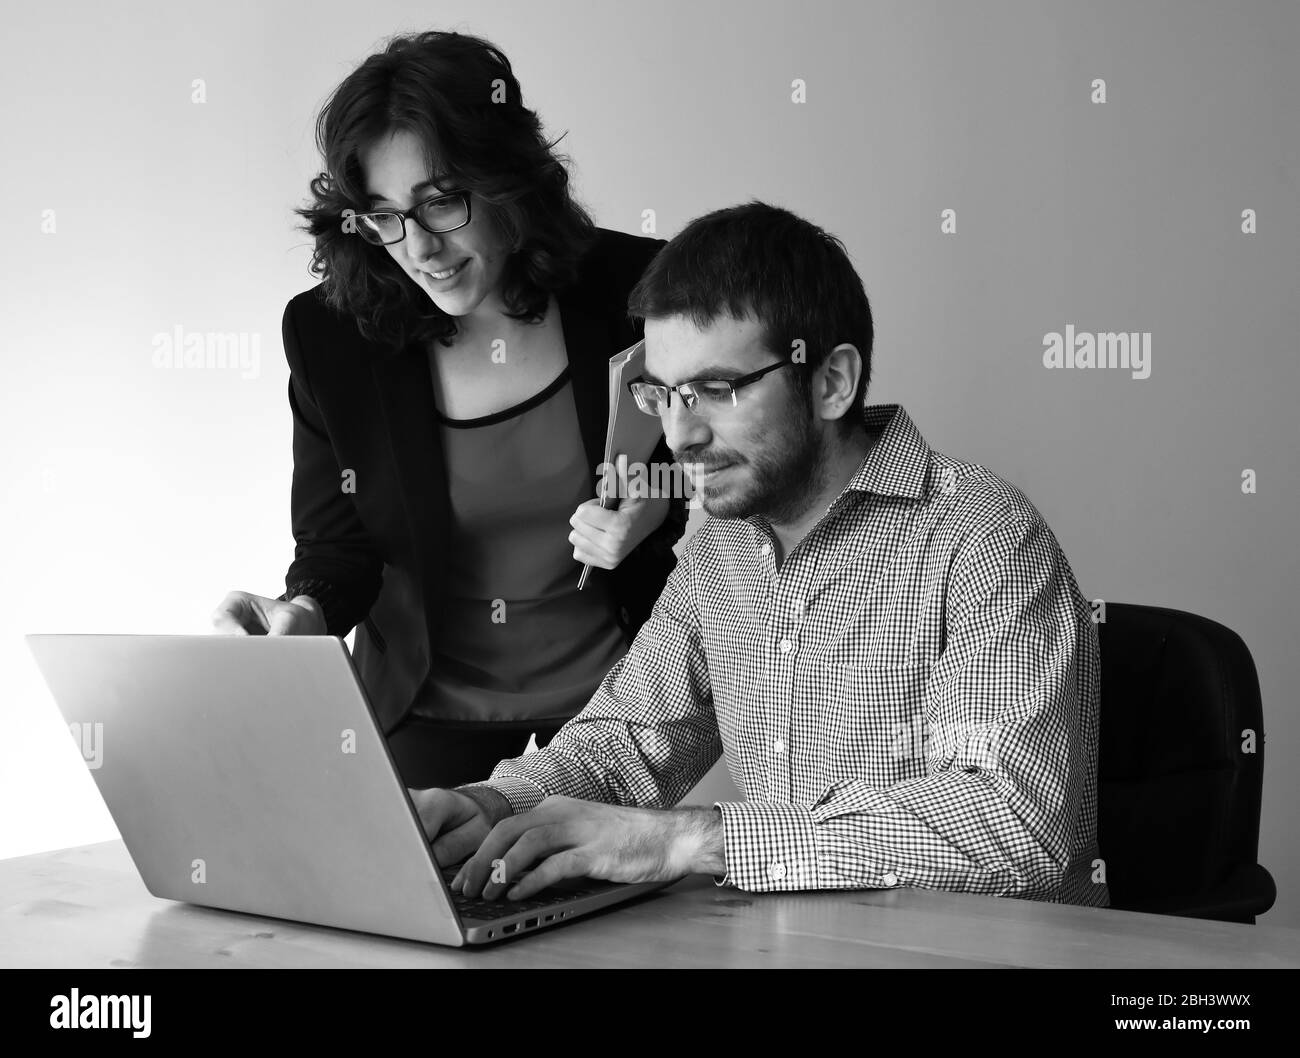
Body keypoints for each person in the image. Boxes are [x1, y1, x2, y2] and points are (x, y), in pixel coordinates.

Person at [411, 201, 1110, 908]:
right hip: (798, 945)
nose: (680, 436)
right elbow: (631, 740)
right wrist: (493, 804)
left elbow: (1015, 826)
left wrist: (686, 840)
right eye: (664, 394)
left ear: (831, 381)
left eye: (717, 390)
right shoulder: (722, 543)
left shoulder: (984, 535)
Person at [210, 30, 689, 787]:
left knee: (608, 902)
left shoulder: (643, 290)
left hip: (615, 699)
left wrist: (659, 507)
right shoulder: (331, 336)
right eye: (383, 217)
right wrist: (303, 613)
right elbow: (340, 550)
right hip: (427, 697)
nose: (419, 248)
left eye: (440, 204)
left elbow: (734, 470)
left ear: (509, 176)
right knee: (412, 898)